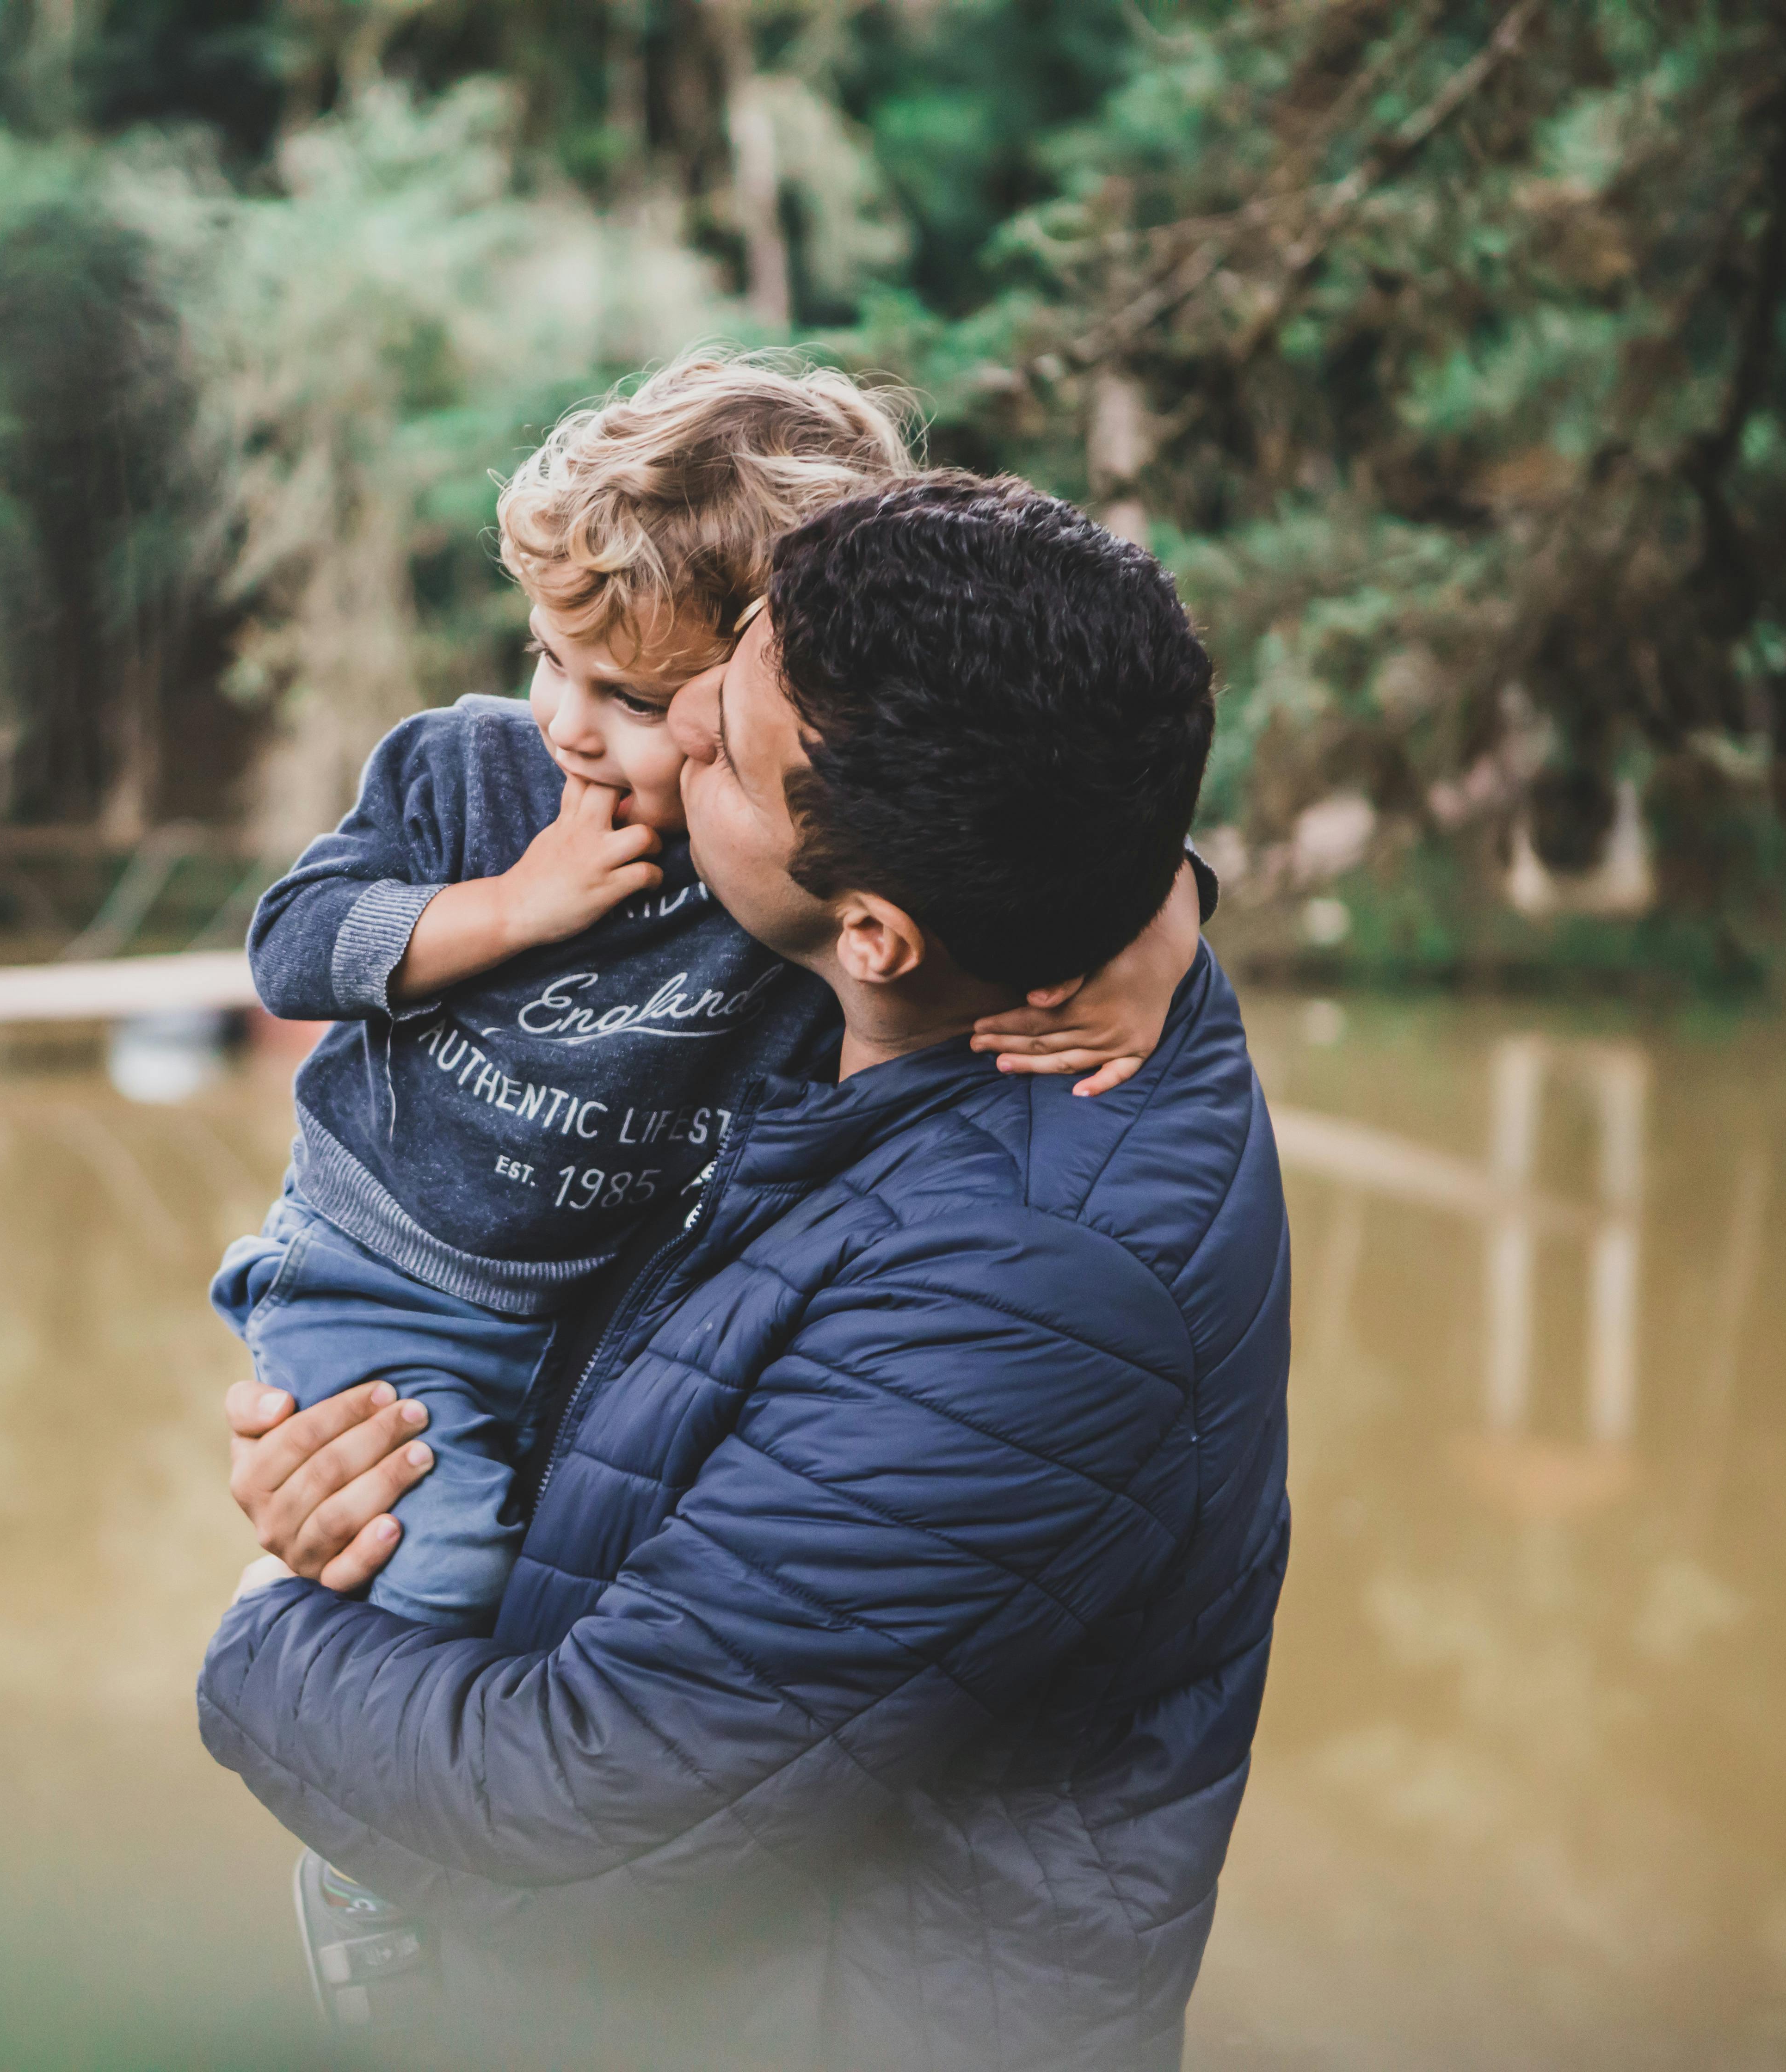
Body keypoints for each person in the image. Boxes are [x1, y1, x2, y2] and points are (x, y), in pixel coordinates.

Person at [203, 474, 1292, 2069]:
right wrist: (372, 1487)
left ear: (874, 930)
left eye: (718, 743)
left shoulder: (1027, 1293)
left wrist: (272, 1634)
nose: (686, 715)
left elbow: (591, 1832)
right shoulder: (996, 948)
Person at [217, 349, 1208, 1634]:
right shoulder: (472, 773)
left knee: (576, 1591)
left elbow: (1058, 829)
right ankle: (367, 1821)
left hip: (598, 1300)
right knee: (440, 1571)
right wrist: (512, 906)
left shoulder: (801, 856)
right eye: (549, 659)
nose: (570, 724)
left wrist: (1157, 938)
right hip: (389, 1273)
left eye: (635, 698)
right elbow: (292, 945)